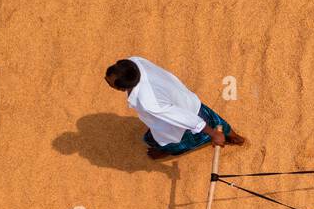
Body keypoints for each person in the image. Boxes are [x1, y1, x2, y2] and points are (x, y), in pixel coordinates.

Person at [104, 56, 246, 158]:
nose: (106, 80)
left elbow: (182, 117)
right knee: (217, 121)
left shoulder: (148, 102)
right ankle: (236, 138)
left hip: (183, 122)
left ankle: (166, 150)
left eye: (109, 82)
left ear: (122, 88)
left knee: (172, 142)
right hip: (188, 101)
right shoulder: (135, 61)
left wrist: (213, 133)